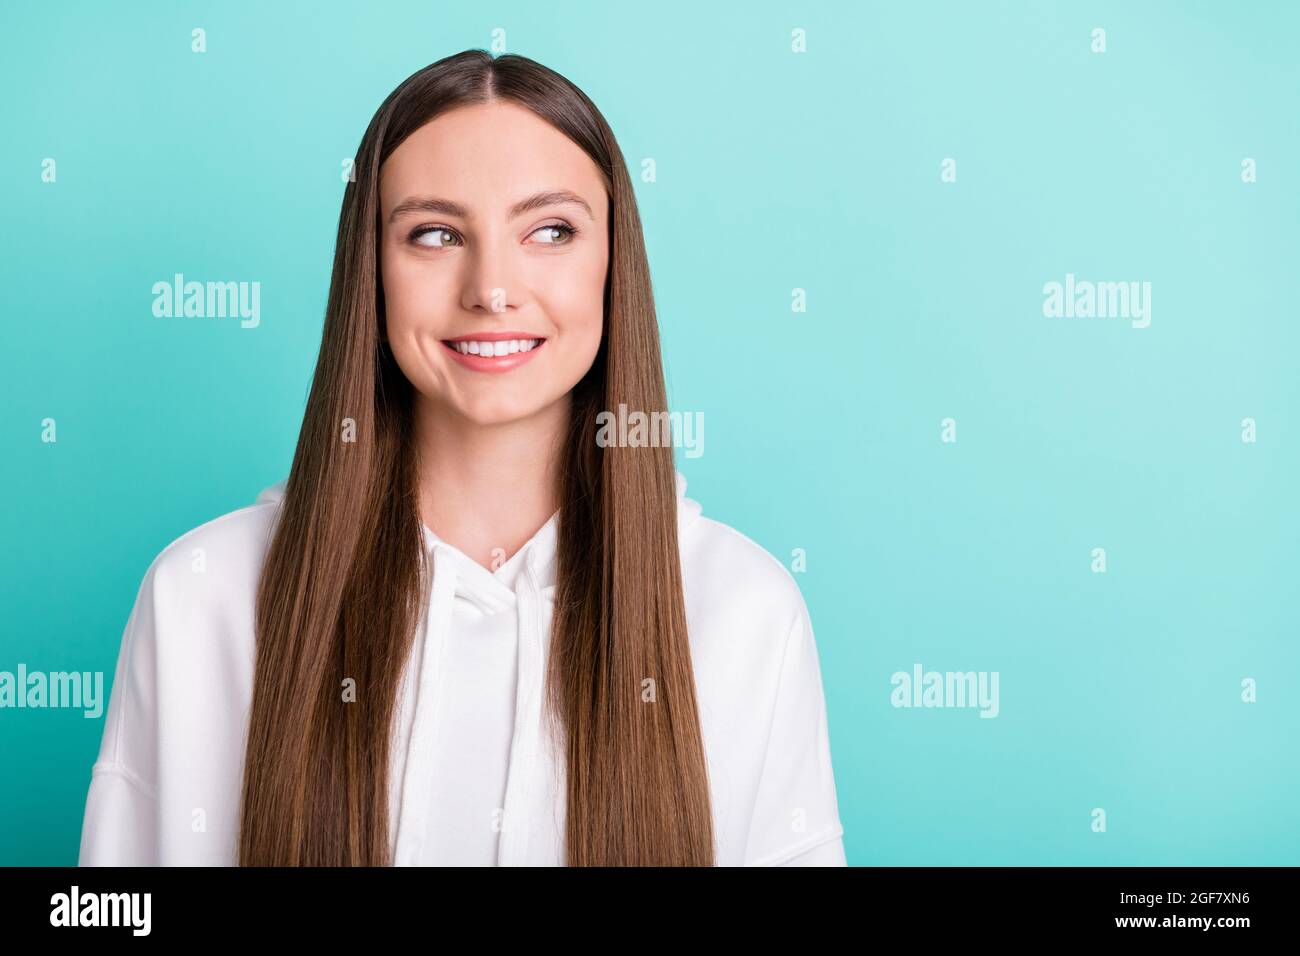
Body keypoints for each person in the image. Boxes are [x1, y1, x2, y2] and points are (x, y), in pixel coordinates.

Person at [77, 49, 845, 867]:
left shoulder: (746, 613)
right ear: (371, 269)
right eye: (435, 234)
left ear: (614, 264)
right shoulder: (203, 598)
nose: (493, 288)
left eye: (550, 230)